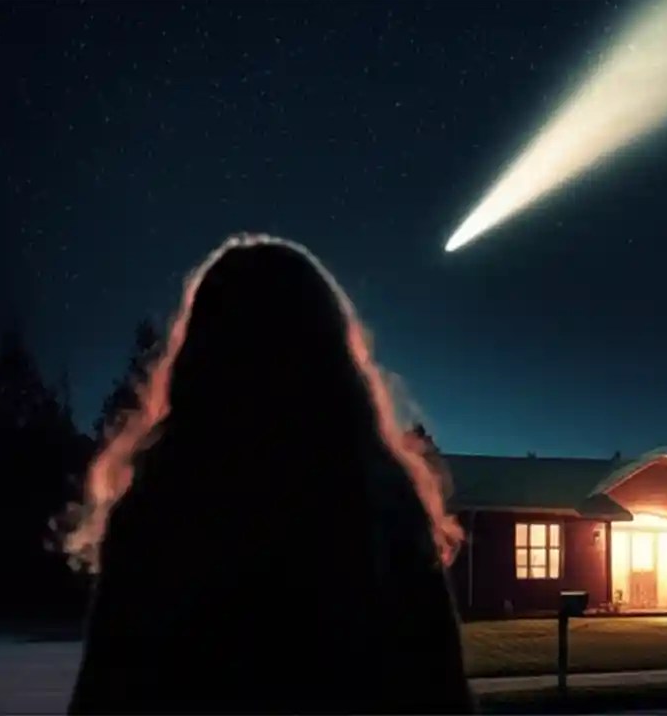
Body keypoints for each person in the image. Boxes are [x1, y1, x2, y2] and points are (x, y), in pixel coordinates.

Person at [65, 234, 474, 714]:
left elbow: (103, 698)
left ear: (199, 359)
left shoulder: (156, 514)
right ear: (336, 359)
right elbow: (442, 696)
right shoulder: (385, 510)